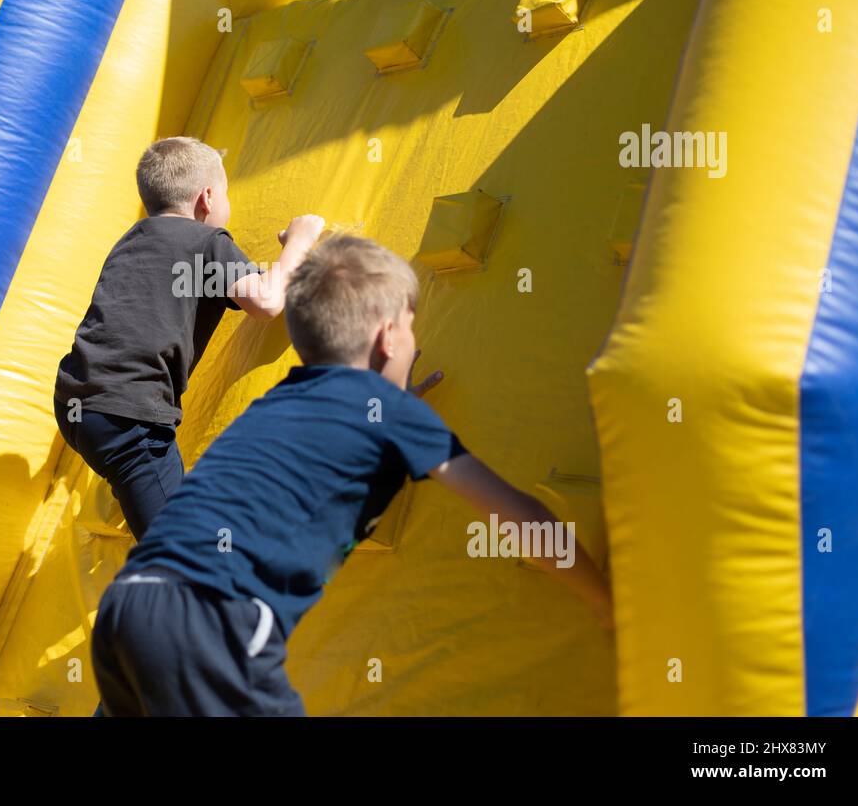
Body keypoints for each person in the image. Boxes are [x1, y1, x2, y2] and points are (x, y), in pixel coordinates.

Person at [91, 234, 613, 715]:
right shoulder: (391, 411)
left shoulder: (282, 400)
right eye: (411, 325)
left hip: (127, 608)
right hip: (212, 623)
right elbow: (520, 515)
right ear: (389, 337)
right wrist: (603, 599)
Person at [55, 135, 324, 539]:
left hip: (75, 406)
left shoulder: (132, 239)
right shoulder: (207, 242)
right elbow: (267, 301)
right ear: (208, 199)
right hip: (129, 415)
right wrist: (299, 243)